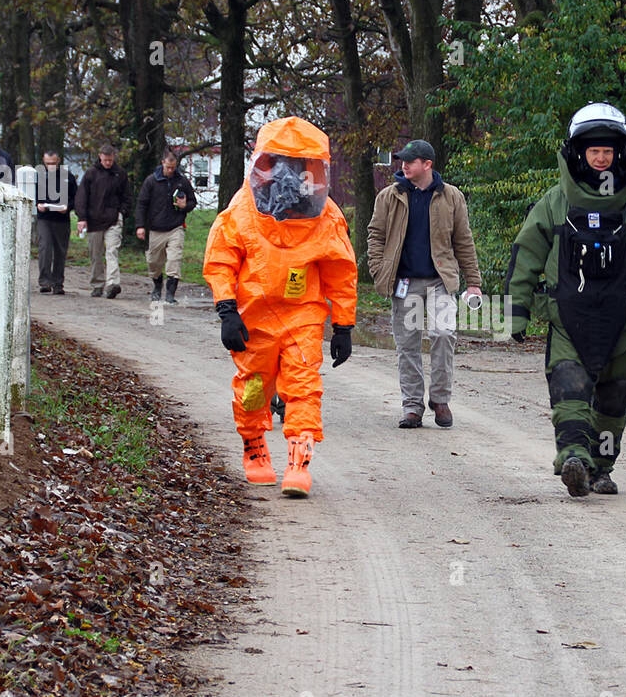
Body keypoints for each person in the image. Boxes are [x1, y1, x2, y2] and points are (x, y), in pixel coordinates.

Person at [505, 103, 626, 497]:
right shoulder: (555, 202)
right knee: (569, 385)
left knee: (616, 393)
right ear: (579, 153)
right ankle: (574, 457)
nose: (601, 158)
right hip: (568, 314)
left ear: (620, 153)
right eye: (594, 151)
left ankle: (601, 467)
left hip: (623, 317)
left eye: (608, 151)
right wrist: (516, 310)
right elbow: (526, 255)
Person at [203, 116, 358, 497]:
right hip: (254, 314)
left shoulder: (325, 215)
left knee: (303, 388)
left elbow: (340, 271)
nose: (289, 176)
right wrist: (227, 309)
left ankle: (298, 462)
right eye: (281, 164)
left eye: (298, 165)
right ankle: (254, 446)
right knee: (254, 386)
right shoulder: (242, 209)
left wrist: (343, 325)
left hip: (302, 313)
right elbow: (221, 259)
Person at [367, 138, 481, 429]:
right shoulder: (388, 196)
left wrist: (474, 282)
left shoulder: (451, 196)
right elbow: (375, 236)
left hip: (440, 281)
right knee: (408, 346)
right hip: (403, 283)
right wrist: (379, 270)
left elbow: (464, 241)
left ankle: (440, 400)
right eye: (402, 160)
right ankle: (413, 407)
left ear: (427, 164)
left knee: (444, 335)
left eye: (410, 161)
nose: (403, 165)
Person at [135, 149, 198, 304]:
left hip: (175, 227)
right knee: (153, 262)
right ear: (163, 163)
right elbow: (142, 204)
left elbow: (192, 202)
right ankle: (157, 285)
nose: (170, 170)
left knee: (174, 260)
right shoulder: (151, 181)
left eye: (173, 167)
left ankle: (170, 294)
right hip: (155, 228)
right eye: (168, 167)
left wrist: (185, 206)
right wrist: (140, 226)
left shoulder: (182, 181)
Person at [74, 144, 133, 298]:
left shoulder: (120, 174)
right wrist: (82, 218)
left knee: (112, 251)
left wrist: (122, 213)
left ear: (114, 157)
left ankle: (113, 283)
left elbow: (127, 196)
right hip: (94, 220)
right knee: (95, 254)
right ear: (100, 156)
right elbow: (82, 197)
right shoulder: (91, 174)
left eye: (110, 160)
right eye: (106, 160)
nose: (108, 163)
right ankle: (97, 284)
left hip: (113, 219)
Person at [33, 151, 78, 294]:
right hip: (44, 217)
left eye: (53, 163)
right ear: (43, 161)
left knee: (60, 251)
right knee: (45, 248)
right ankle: (45, 281)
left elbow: (75, 197)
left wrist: (68, 207)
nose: (51, 166)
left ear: (58, 161)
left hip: (61, 219)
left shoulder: (68, 177)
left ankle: (58, 283)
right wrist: (38, 204)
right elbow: (32, 195)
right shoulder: (38, 176)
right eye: (48, 163)